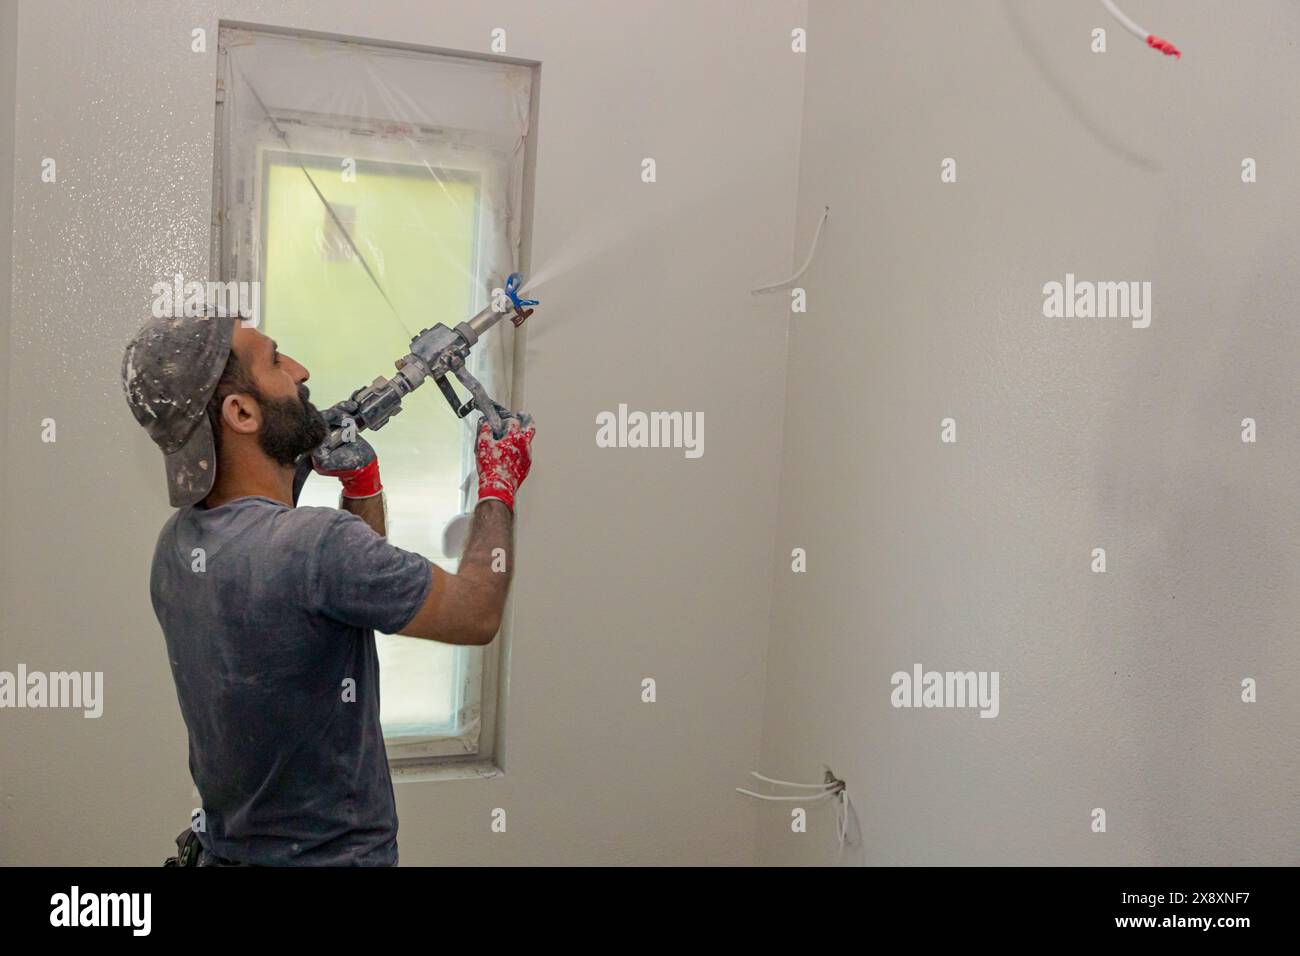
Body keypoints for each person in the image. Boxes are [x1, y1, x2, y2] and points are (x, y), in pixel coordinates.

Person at [121, 313, 535, 865]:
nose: (300, 370)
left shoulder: (177, 547)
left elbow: (336, 596)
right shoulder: (316, 546)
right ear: (240, 412)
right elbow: (475, 613)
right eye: (274, 361)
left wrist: (356, 482)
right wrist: (498, 485)